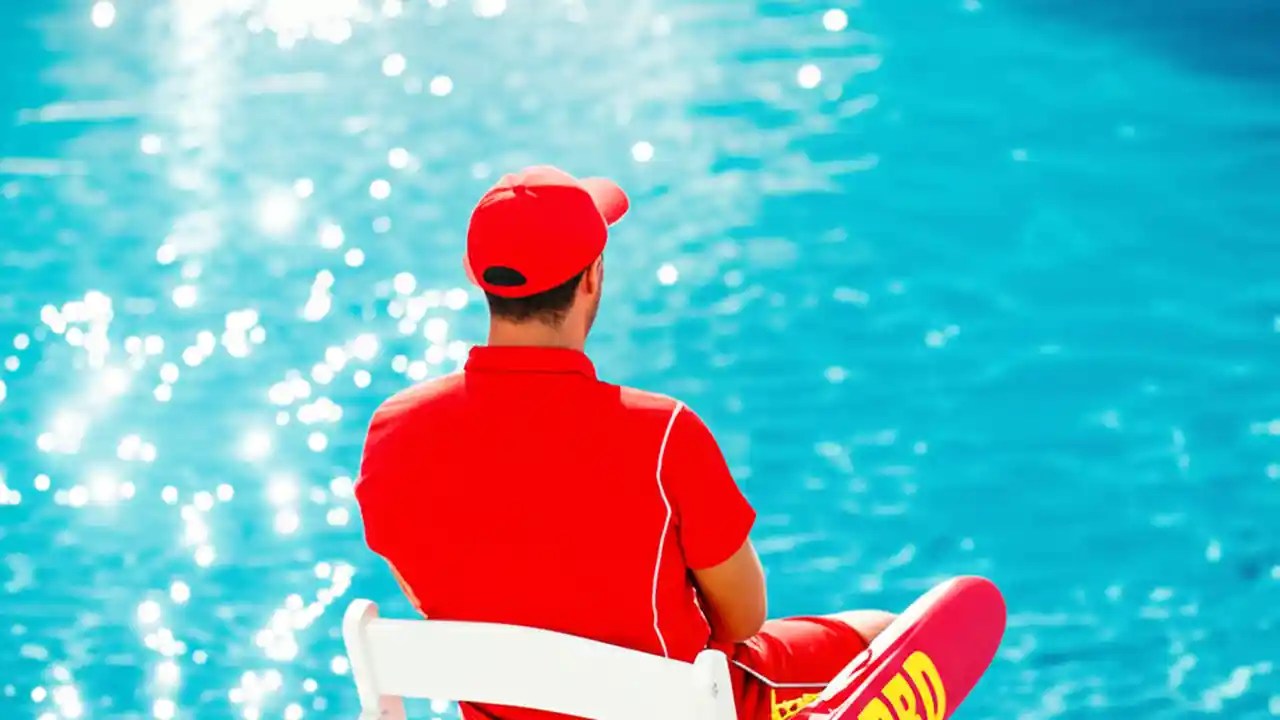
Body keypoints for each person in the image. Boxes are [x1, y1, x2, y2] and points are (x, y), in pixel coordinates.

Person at [354, 165, 896, 720]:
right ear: (592, 278)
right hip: (685, 708)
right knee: (889, 640)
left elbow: (428, 597)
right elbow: (743, 619)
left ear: (478, 276)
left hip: (504, 710)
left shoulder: (393, 432)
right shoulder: (663, 435)